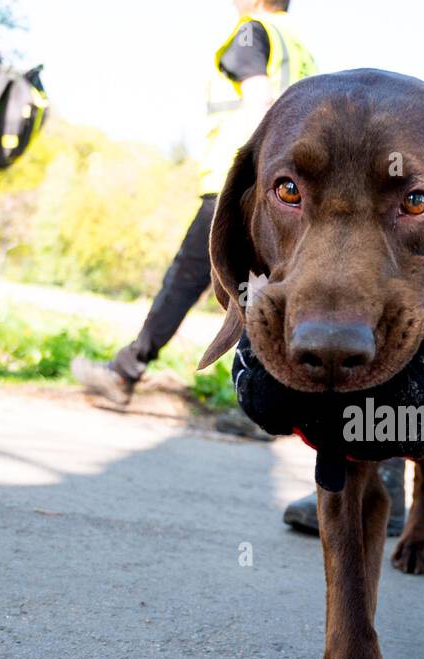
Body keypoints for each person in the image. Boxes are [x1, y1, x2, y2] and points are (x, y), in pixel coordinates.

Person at [71, 0, 315, 405]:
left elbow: (261, 101)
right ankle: (277, 399)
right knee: (264, 287)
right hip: (285, 192)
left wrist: (261, 173)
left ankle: (125, 371)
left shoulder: (253, 31)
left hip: (239, 180)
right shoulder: (300, 45)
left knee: (188, 277)